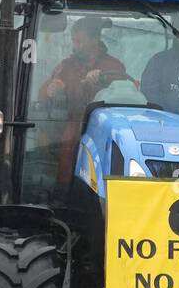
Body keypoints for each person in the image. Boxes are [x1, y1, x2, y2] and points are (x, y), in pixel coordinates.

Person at [40, 16, 128, 188]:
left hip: (103, 129)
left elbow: (123, 95)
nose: (75, 46)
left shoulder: (113, 67)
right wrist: (51, 90)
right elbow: (42, 94)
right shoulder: (66, 66)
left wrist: (100, 83)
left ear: (95, 39)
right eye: (74, 41)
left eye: (79, 41)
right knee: (65, 146)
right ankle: (63, 191)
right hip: (72, 125)